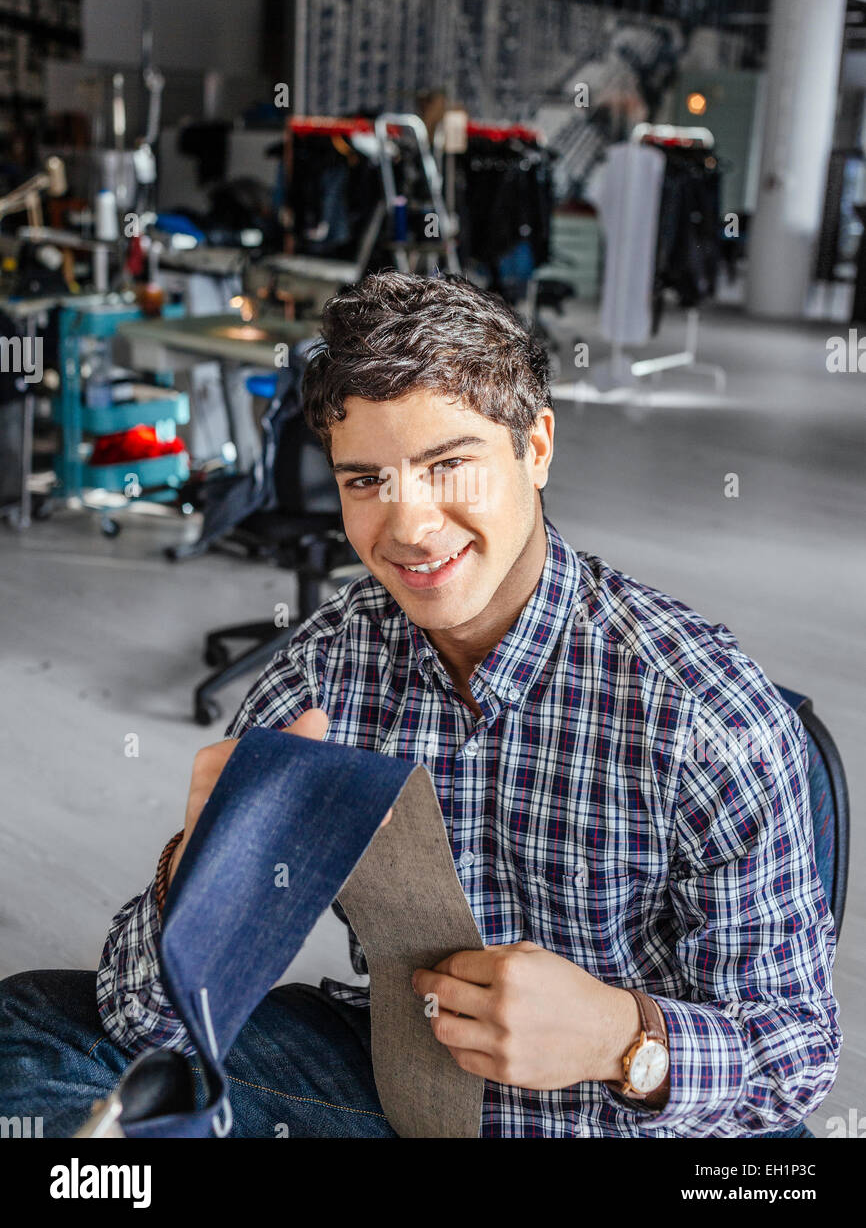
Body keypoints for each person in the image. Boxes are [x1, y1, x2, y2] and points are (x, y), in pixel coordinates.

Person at [0, 272, 838, 1138]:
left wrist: (623, 1041)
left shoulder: (703, 711)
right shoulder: (326, 672)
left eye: (449, 465)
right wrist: (195, 877)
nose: (406, 526)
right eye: (365, 481)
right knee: (28, 1033)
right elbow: (147, 1025)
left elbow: (798, 1060)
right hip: (396, 1091)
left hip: (619, 1120)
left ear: (537, 446)